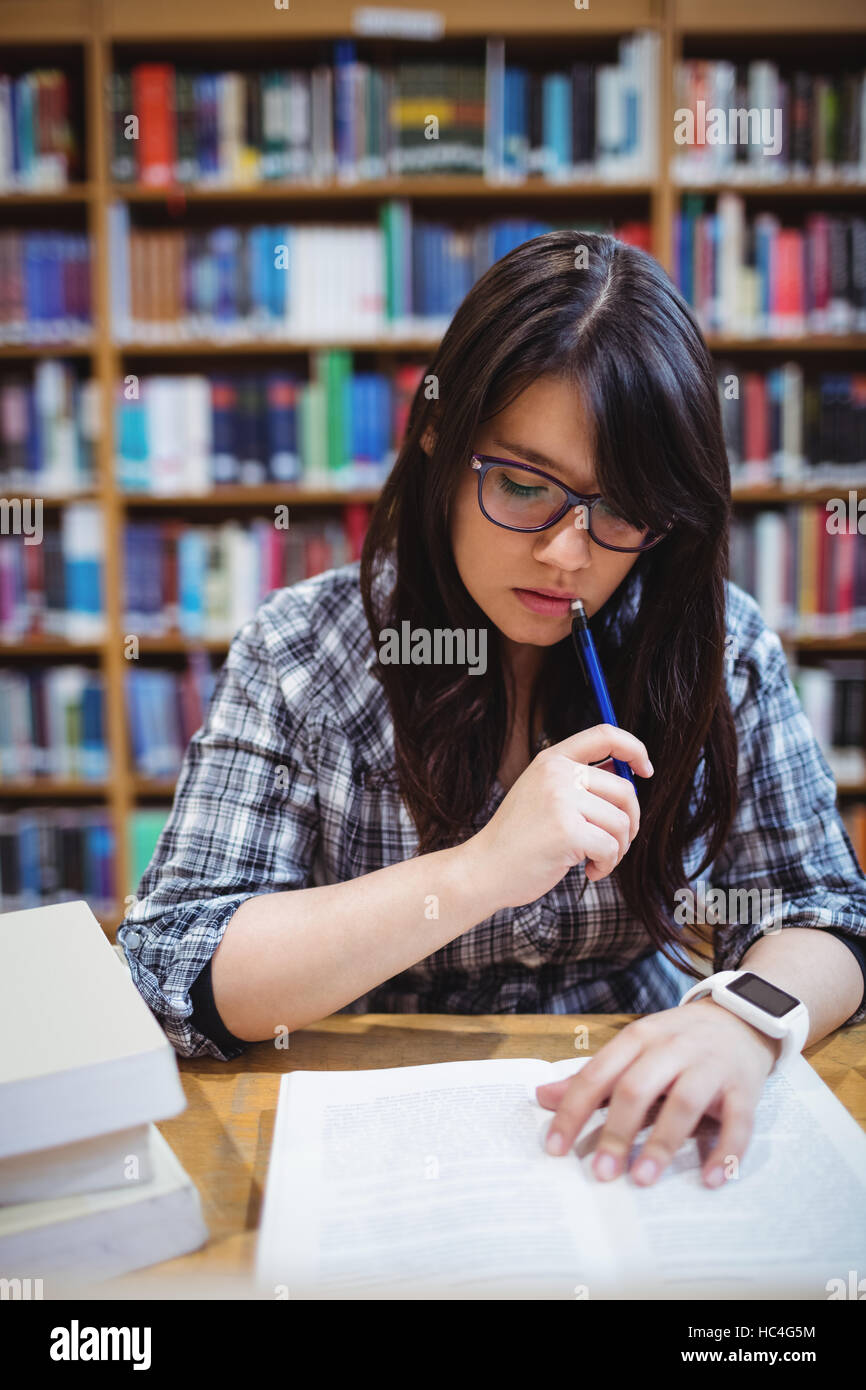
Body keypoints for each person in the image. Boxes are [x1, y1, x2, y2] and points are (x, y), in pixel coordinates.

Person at [118, 230, 866, 1190]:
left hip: (627, 1128)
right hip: (366, 1128)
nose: (568, 554)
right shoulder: (303, 651)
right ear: (439, 436)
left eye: (624, 509)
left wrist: (741, 1020)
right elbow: (172, 971)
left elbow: (831, 913)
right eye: (522, 485)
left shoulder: (713, 647)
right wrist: (477, 872)